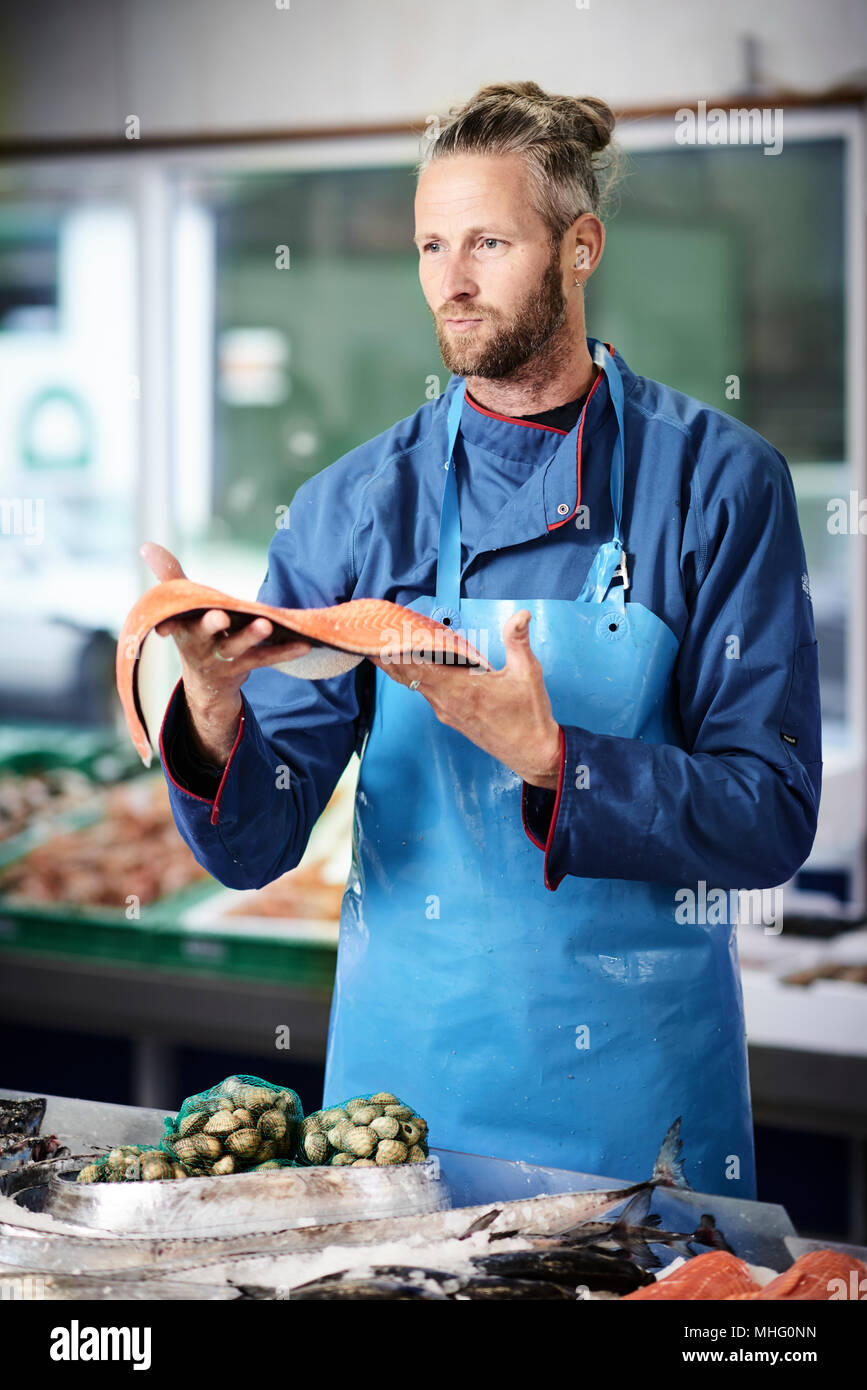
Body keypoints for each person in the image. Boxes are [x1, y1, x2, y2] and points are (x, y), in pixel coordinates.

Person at [147, 82, 821, 1199]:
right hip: (398, 1128)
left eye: (489, 243)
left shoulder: (719, 483)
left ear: (579, 247)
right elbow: (258, 842)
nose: (449, 284)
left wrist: (561, 762)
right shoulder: (352, 507)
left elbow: (769, 817)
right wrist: (215, 716)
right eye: (429, 245)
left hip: (644, 1120)